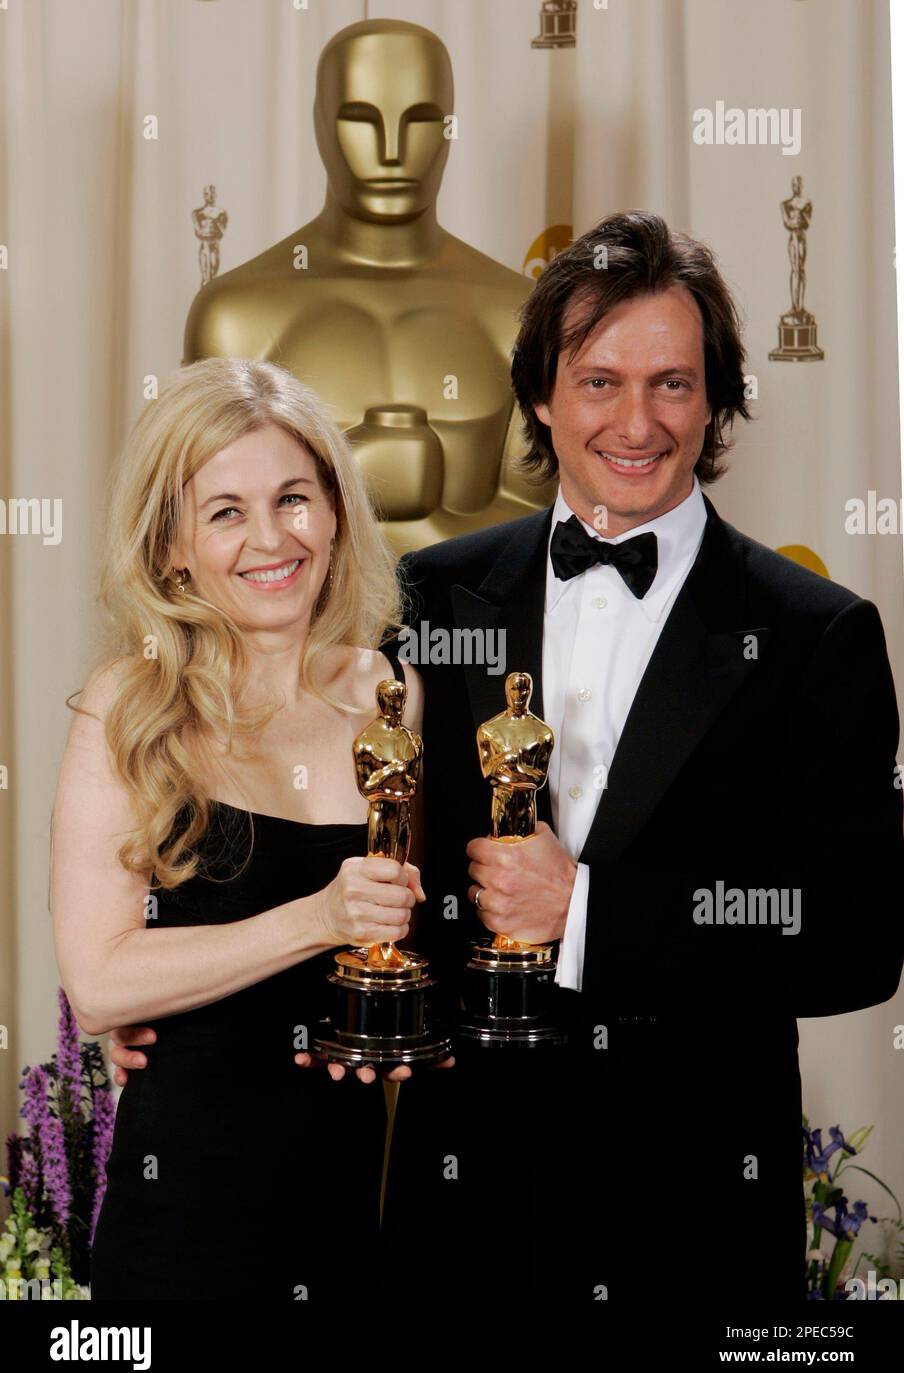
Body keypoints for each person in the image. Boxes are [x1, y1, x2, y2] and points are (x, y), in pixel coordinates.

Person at [378, 210, 904, 1302]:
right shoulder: (428, 592)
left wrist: (587, 911)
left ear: (713, 400)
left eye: (672, 382)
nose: (637, 419)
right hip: (464, 1209)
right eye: (599, 380)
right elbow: (373, 837)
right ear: (539, 395)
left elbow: (853, 940)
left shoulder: (816, 634)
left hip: (691, 1214)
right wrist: (192, 1003)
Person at [51, 357, 431, 1300]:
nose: (271, 537)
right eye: (224, 511)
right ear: (171, 544)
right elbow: (98, 982)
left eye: (294, 498)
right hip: (183, 1214)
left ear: (336, 511)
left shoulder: (390, 696)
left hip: (349, 1194)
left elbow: (395, 947)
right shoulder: (129, 705)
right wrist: (316, 919)